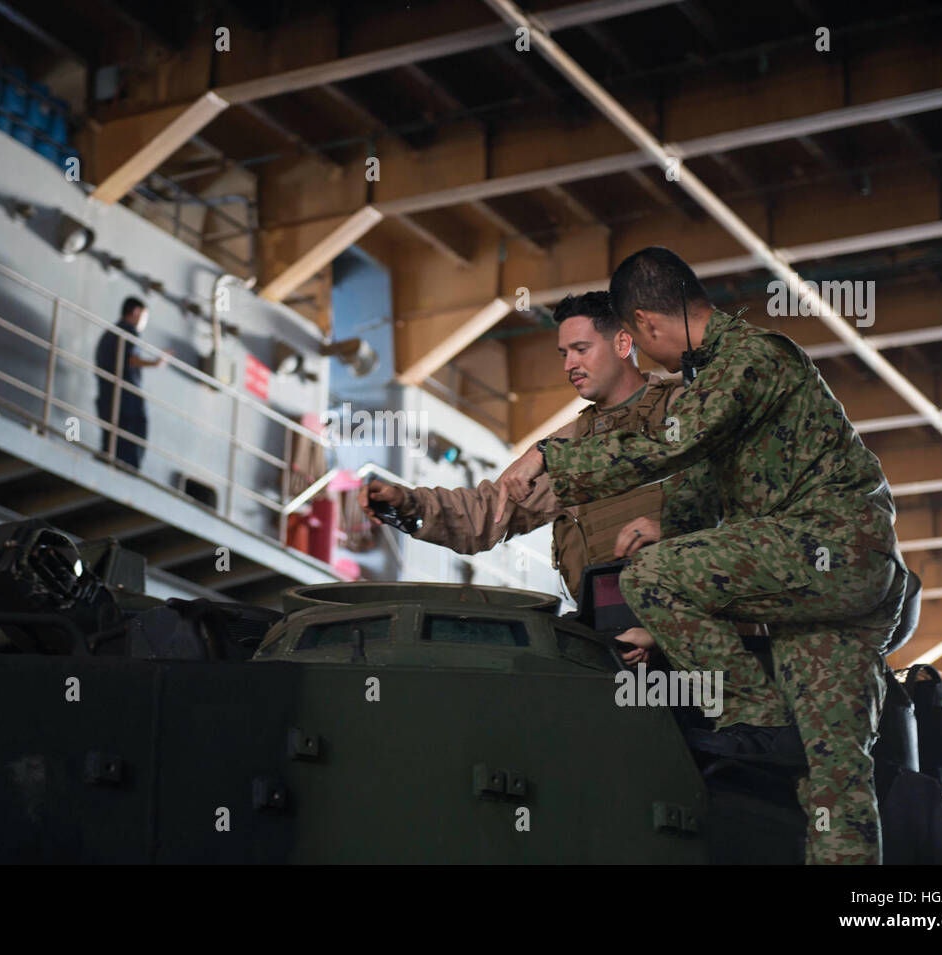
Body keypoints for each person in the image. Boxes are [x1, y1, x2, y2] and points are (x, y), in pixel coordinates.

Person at [495, 247, 908, 865]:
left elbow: (668, 445)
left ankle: (753, 716)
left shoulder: (750, 359)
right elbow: (699, 482)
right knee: (833, 782)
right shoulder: (719, 379)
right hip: (822, 593)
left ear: (648, 324)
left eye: (634, 338)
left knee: (655, 573)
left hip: (833, 550)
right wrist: (662, 592)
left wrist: (550, 457)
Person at [358, 291, 718, 605]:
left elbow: (746, 500)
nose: (568, 365)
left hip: (699, 624)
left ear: (623, 344)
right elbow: (489, 515)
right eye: (563, 353)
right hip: (608, 633)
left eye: (581, 349)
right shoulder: (567, 442)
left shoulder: (687, 407)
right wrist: (409, 505)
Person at [94, 297, 166, 470]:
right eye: (144, 316)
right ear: (136, 312)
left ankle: (109, 462)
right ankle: (126, 470)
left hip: (107, 394)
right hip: (126, 398)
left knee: (112, 439)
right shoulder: (129, 332)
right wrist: (155, 363)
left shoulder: (110, 333)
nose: (144, 321)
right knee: (131, 440)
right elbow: (131, 360)